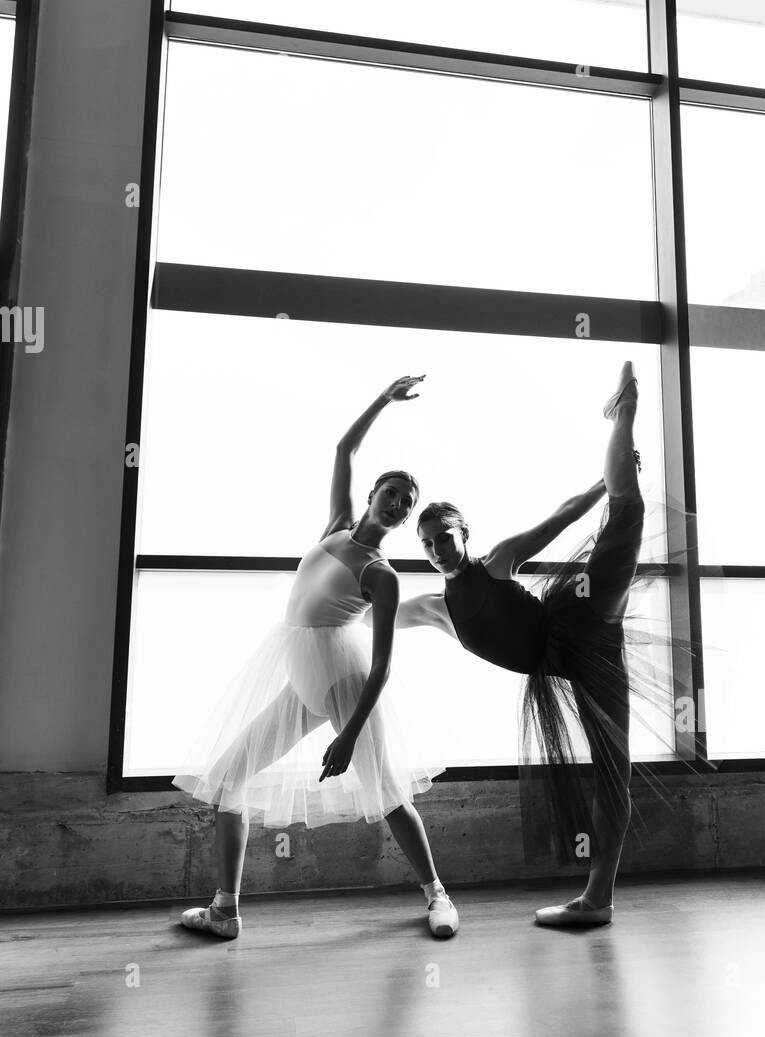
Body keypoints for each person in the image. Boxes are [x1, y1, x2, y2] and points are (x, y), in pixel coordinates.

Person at [173, 375, 459, 941]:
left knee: (388, 796)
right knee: (228, 779)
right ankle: (225, 909)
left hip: (344, 682)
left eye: (407, 504)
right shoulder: (334, 530)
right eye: (393, 492)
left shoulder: (382, 574)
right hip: (299, 680)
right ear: (375, 491)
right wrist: (383, 398)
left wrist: (349, 733)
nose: (399, 505)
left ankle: (438, 896)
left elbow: (381, 666)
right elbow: (343, 449)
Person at [396, 361, 650, 928]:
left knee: (625, 511)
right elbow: (372, 613)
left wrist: (597, 488)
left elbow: (557, 520)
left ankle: (624, 412)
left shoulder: (497, 562)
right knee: (613, 774)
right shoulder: (434, 611)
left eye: (446, 537)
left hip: (583, 620)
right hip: (574, 665)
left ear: (466, 534)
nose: (438, 548)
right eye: (429, 543)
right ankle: (598, 901)